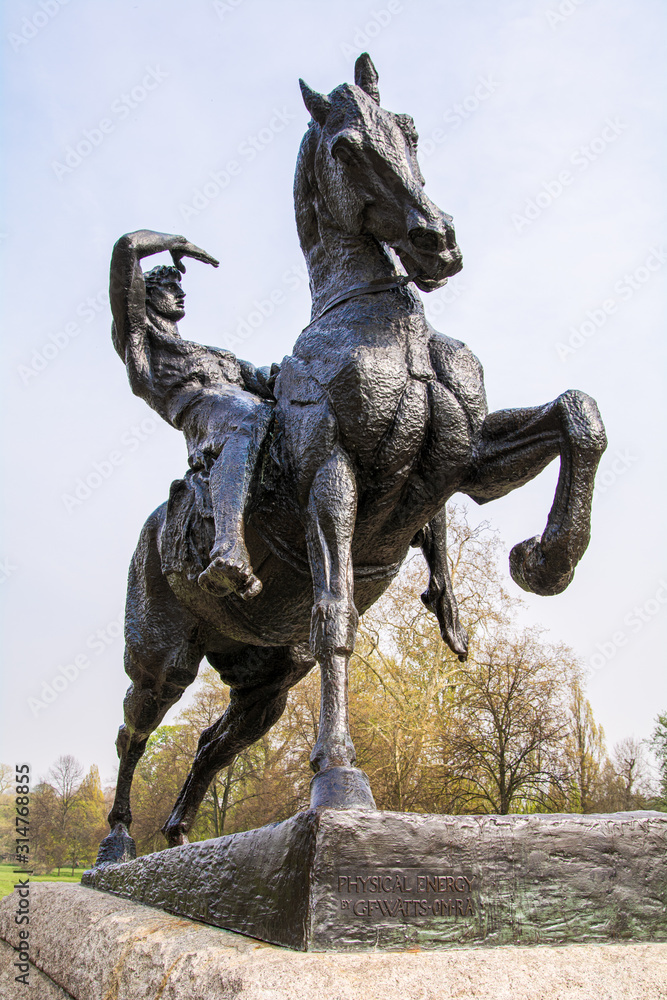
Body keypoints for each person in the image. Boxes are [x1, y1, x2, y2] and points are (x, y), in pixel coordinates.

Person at [109, 229, 273, 599]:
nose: (181, 294)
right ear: (147, 299)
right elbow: (127, 250)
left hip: (247, 404)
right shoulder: (143, 342)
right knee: (247, 418)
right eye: (169, 288)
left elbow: (265, 378)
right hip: (204, 415)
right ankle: (229, 545)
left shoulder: (215, 353)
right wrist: (175, 242)